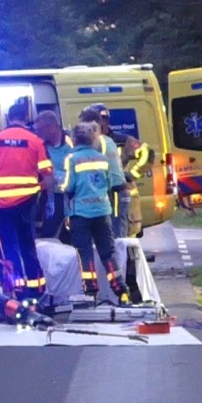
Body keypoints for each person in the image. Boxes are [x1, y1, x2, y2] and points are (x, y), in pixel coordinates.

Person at [0, 99, 55, 300]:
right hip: (27, 203)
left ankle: (16, 291)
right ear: (26, 118)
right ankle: (37, 291)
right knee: (28, 246)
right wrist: (47, 200)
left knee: (8, 248)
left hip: (0, 206)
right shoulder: (35, 141)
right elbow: (47, 174)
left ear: (8, 118)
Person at [61, 122, 142, 304]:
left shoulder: (72, 159)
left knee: (85, 253)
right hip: (103, 211)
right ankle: (120, 290)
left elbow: (69, 186)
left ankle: (91, 292)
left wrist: (62, 187)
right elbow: (109, 183)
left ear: (74, 139)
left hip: (80, 213)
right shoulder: (102, 159)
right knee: (108, 252)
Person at [78, 105, 130, 238]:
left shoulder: (98, 143)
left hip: (115, 192)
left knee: (116, 234)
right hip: (119, 190)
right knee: (117, 231)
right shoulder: (108, 140)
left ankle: (119, 252)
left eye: (83, 125)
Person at [35, 110, 72, 240]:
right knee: (48, 239)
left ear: (51, 128)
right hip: (48, 200)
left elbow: (78, 173)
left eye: (40, 130)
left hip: (72, 200)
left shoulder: (72, 143)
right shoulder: (39, 146)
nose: (37, 133)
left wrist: (53, 175)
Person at [122, 132, 152, 238]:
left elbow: (148, 153)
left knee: (128, 233)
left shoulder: (121, 140)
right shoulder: (86, 144)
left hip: (124, 193)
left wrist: (132, 175)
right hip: (100, 201)